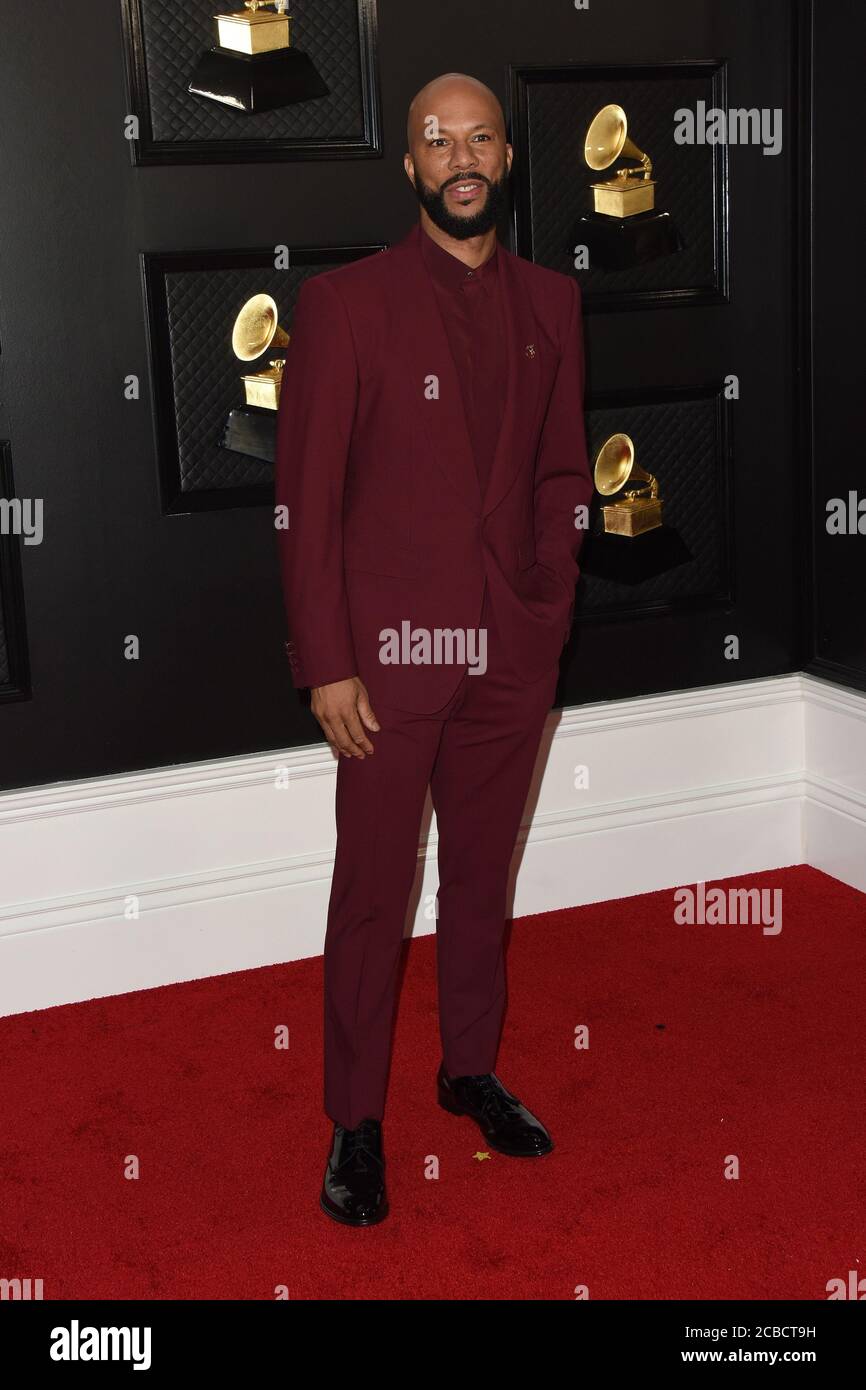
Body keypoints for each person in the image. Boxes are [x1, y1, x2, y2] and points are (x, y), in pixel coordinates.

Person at [274, 71, 592, 1226]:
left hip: (511, 653)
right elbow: (306, 499)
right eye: (434, 141)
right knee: (372, 889)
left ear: (505, 158)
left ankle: (468, 1071)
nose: (459, 157)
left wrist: (548, 597)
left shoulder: (553, 306)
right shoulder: (346, 305)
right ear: (408, 166)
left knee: (478, 876)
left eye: (478, 139)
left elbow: (563, 473)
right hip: (386, 661)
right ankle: (354, 1119)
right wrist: (326, 660)